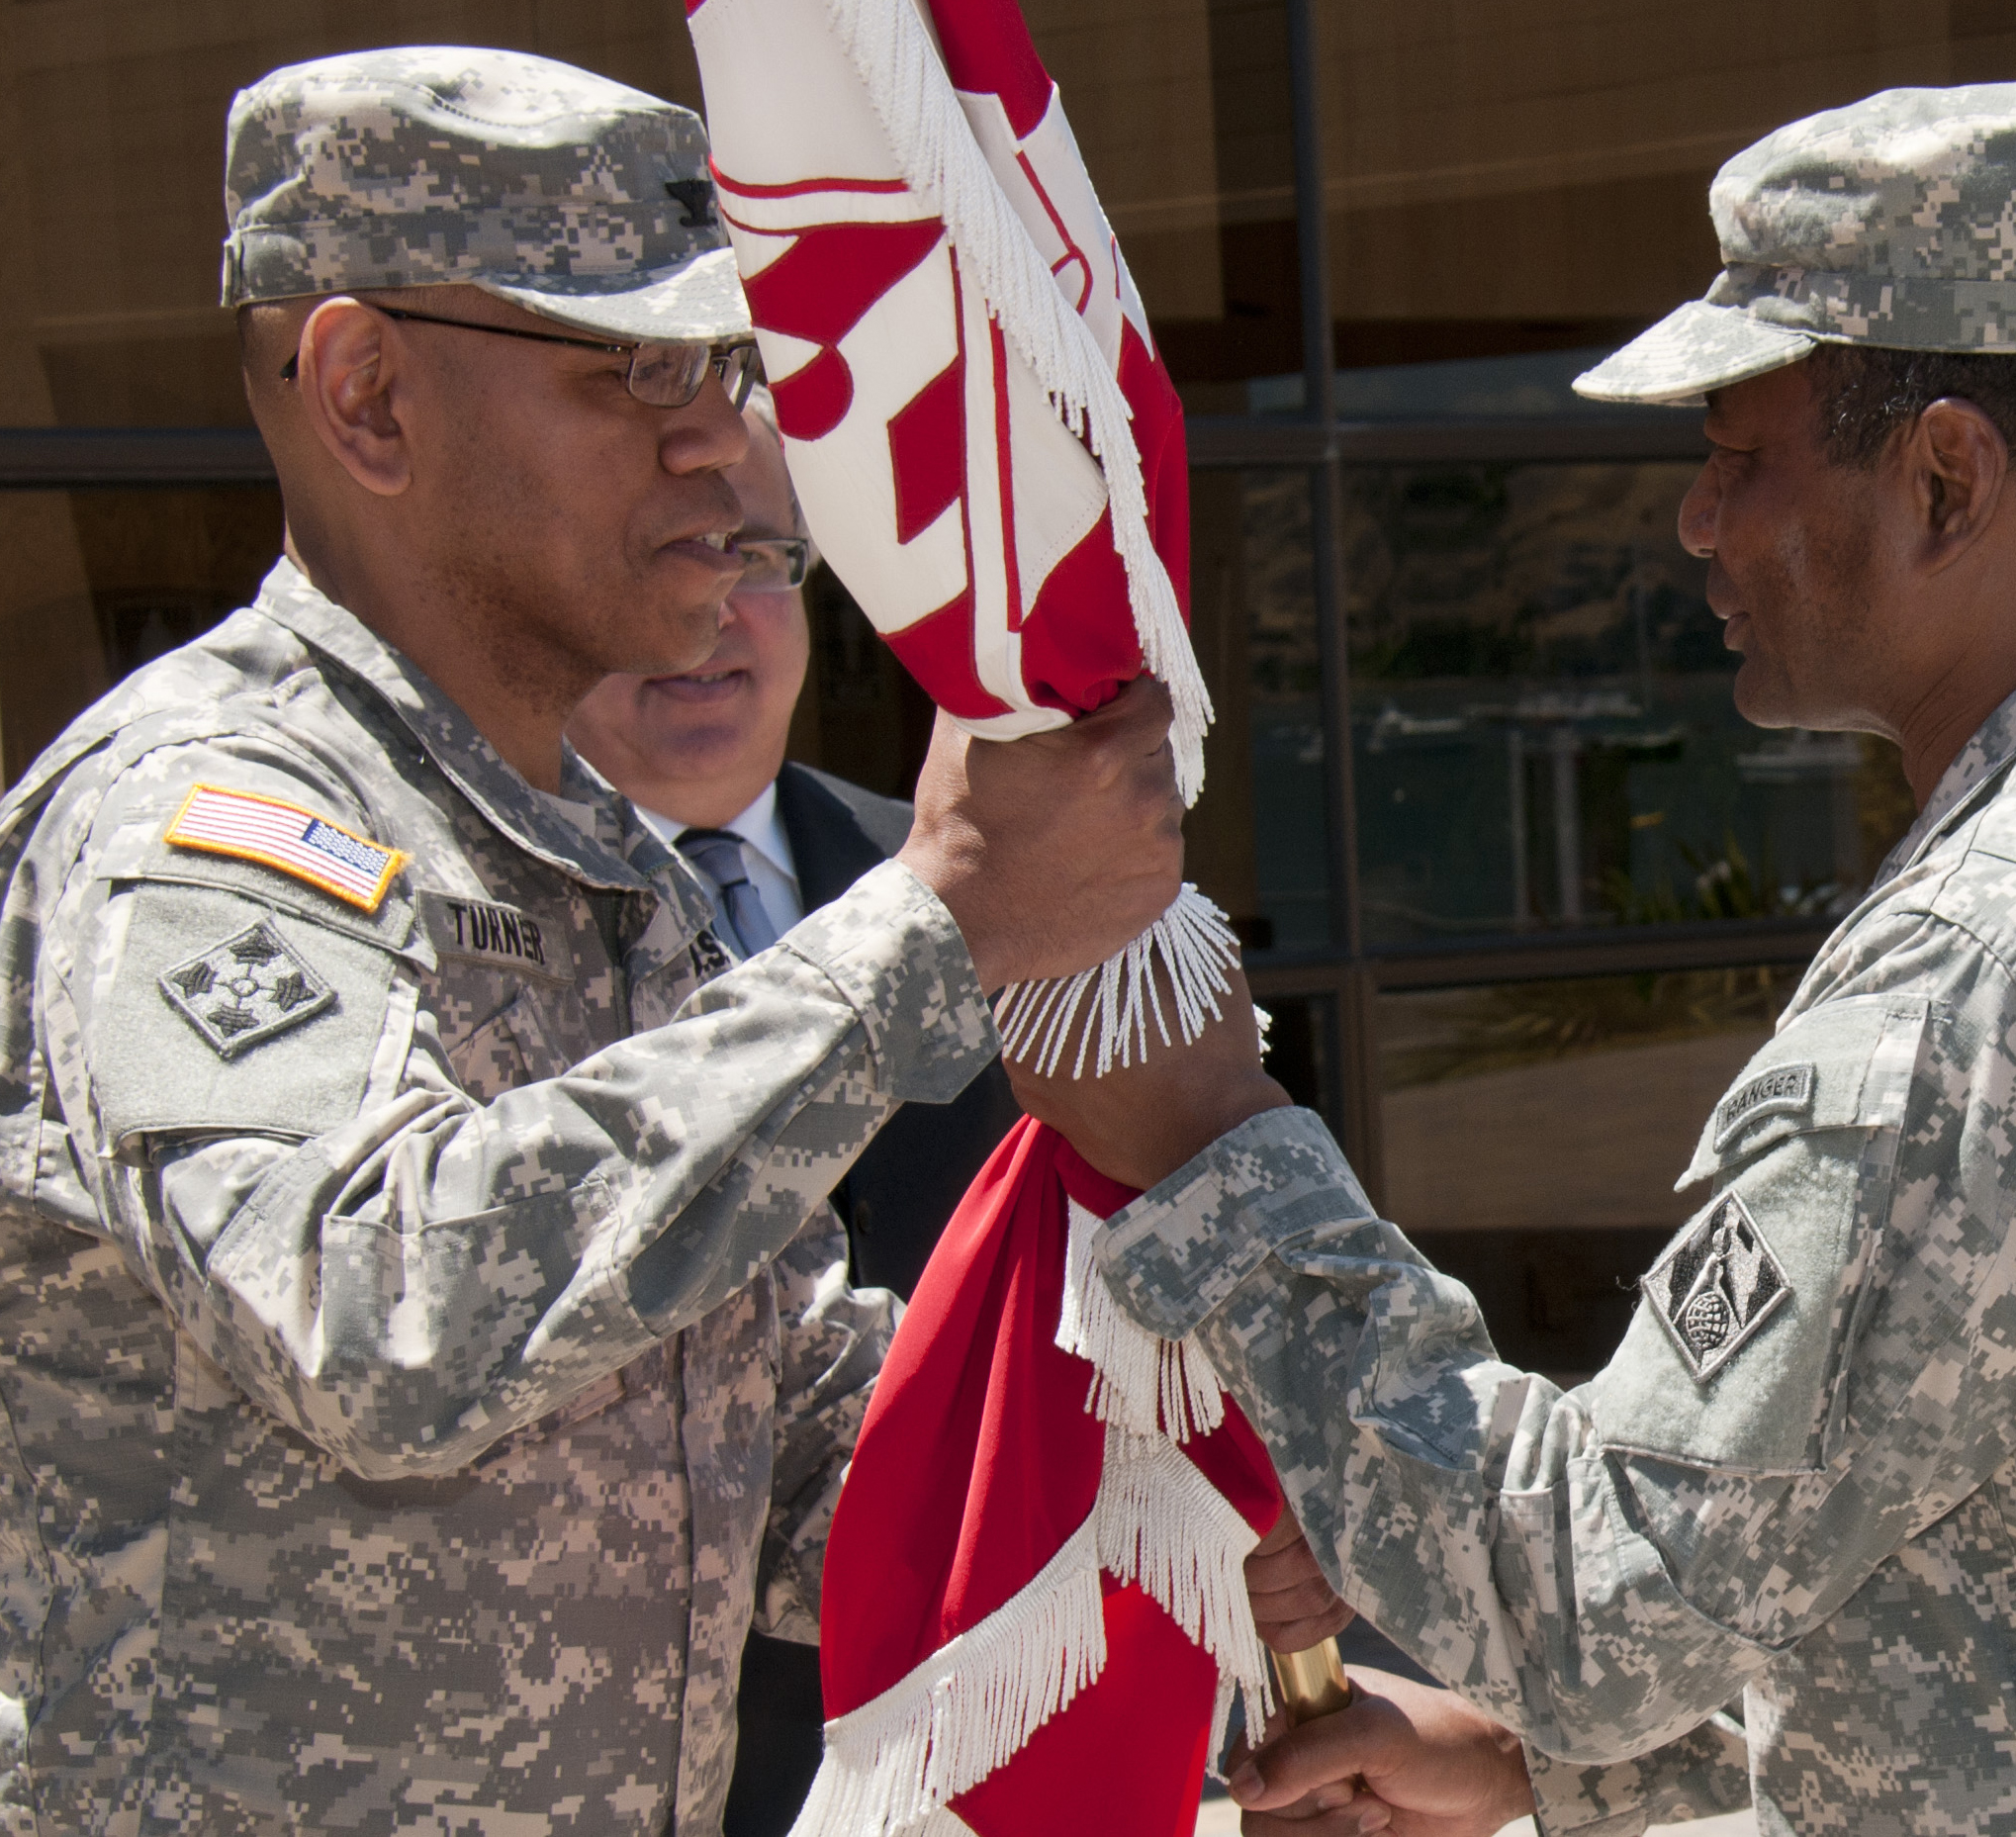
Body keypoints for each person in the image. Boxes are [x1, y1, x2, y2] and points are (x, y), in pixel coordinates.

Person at [1014, 81, 2016, 1836]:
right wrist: (1527, 1764)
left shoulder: (2005, 966)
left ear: (1944, 473)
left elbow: (1585, 1595)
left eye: (1737, 451)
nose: (1698, 521)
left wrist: (1207, 1143)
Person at [0, 47, 1182, 1835]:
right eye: (631, 369)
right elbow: (376, 1312)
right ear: (369, 394)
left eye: (725, 366)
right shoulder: (200, 821)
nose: (717, 435)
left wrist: (1156, 1493)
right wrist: (927, 931)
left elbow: (755, 1431)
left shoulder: (606, 861)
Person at [566, 389, 1021, 1834]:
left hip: (982, 1698)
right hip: (635, 1740)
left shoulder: (993, 884)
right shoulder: (465, 924)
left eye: (762, 557)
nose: (719, 610)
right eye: (673, 556)